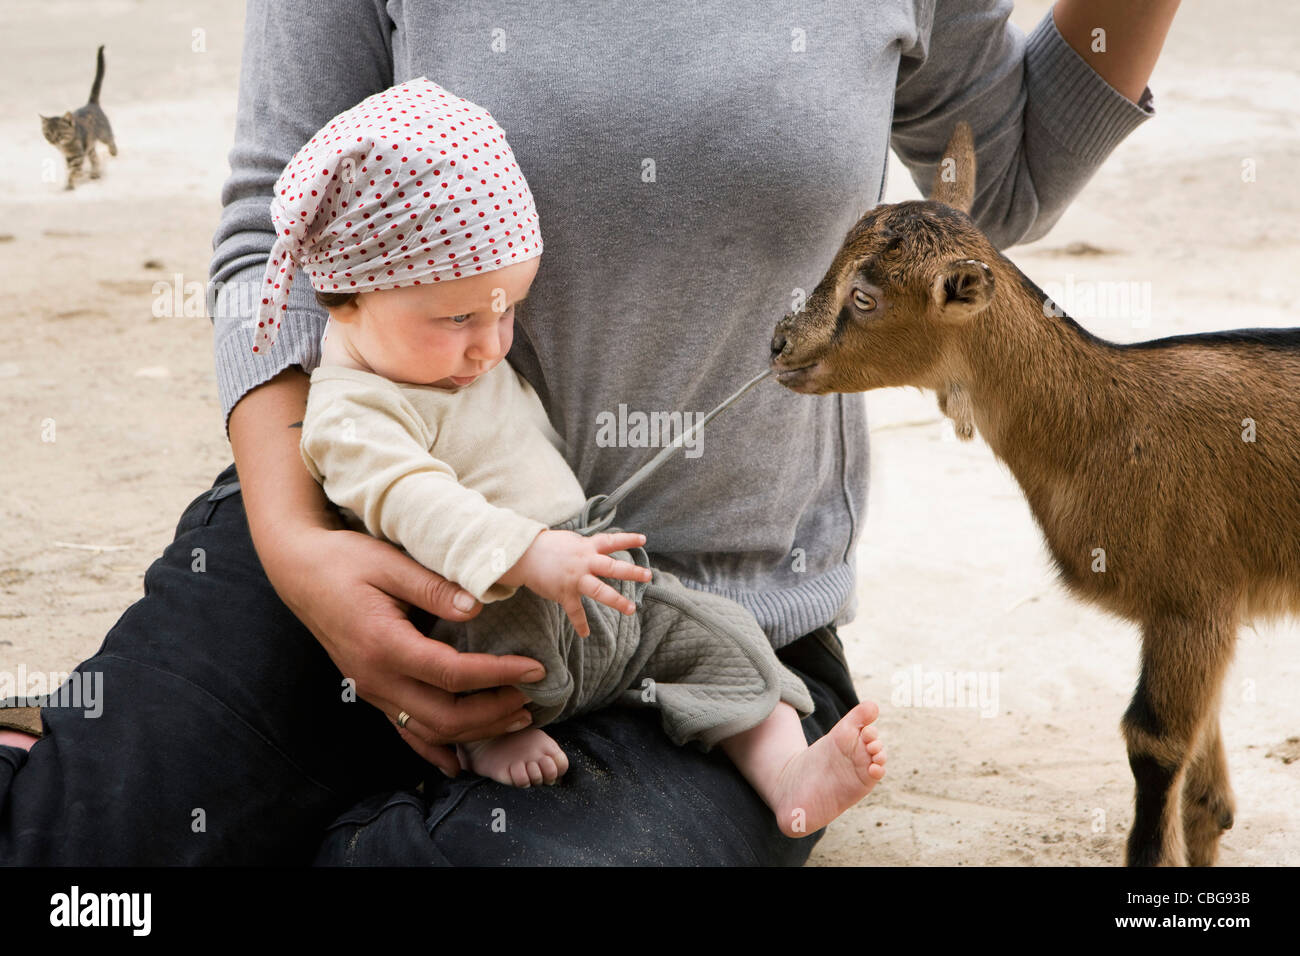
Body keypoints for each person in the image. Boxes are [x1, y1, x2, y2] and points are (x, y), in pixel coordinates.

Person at [0, 0, 1172, 865]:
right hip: (340, 541)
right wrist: (296, 548)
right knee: (79, 857)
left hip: (688, 626)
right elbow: (275, 231)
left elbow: (997, 181)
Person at [278, 77, 886, 826]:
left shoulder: (444, 351)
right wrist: (527, 552)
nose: (491, 346)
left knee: (720, 635)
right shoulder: (350, 411)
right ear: (348, 295)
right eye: (460, 317)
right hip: (503, 607)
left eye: (508, 312)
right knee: (484, 654)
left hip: (594, 582)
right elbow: (412, 498)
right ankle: (491, 736)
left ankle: (788, 770)